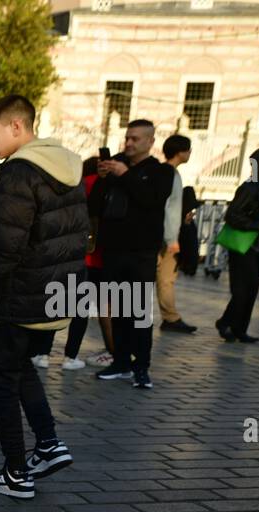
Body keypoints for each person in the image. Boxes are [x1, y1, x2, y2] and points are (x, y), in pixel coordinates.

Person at [0, 95, 87, 500]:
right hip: (51, 296)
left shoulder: (18, 172)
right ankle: (48, 444)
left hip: (16, 297)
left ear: (17, 127)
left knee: (0, 382)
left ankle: (16, 472)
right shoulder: (65, 166)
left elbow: (6, 246)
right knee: (20, 371)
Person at [91, 119, 176, 388]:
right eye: (127, 138)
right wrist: (103, 178)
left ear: (150, 142)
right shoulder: (116, 168)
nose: (129, 143)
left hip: (141, 252)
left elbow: (150, 200)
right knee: (118, 311)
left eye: (135, 139)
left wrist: (125, 174)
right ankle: (121, 362)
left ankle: (141, 367)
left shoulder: (160, 172)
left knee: (139, 312)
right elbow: (95, 205)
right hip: (113, 251)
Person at [216, 147, 259, 343]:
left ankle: (239, 328)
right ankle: (226, 322)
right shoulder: (249, 187)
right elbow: (232, 215)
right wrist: (257, 225)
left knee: (251, 289)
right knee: (242, 290)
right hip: (245, 246)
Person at [62, 156, 115, 370]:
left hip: (81, 254)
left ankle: (56, 354)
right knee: (106, 308)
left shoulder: (81, 183)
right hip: (102, 256)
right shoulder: (104, 184)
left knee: (77, 308)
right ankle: (112, 352)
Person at [157, 134, 196, 333]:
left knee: (166, 279)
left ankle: (171, 316)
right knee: (165, 278)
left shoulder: (168, 173)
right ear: (180, 152)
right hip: (165, 238)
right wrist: (172, 239)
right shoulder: (171, 175)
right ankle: (170, 317)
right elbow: (169, 210)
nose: (190, 153)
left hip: (163, 235)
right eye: (188, 149)